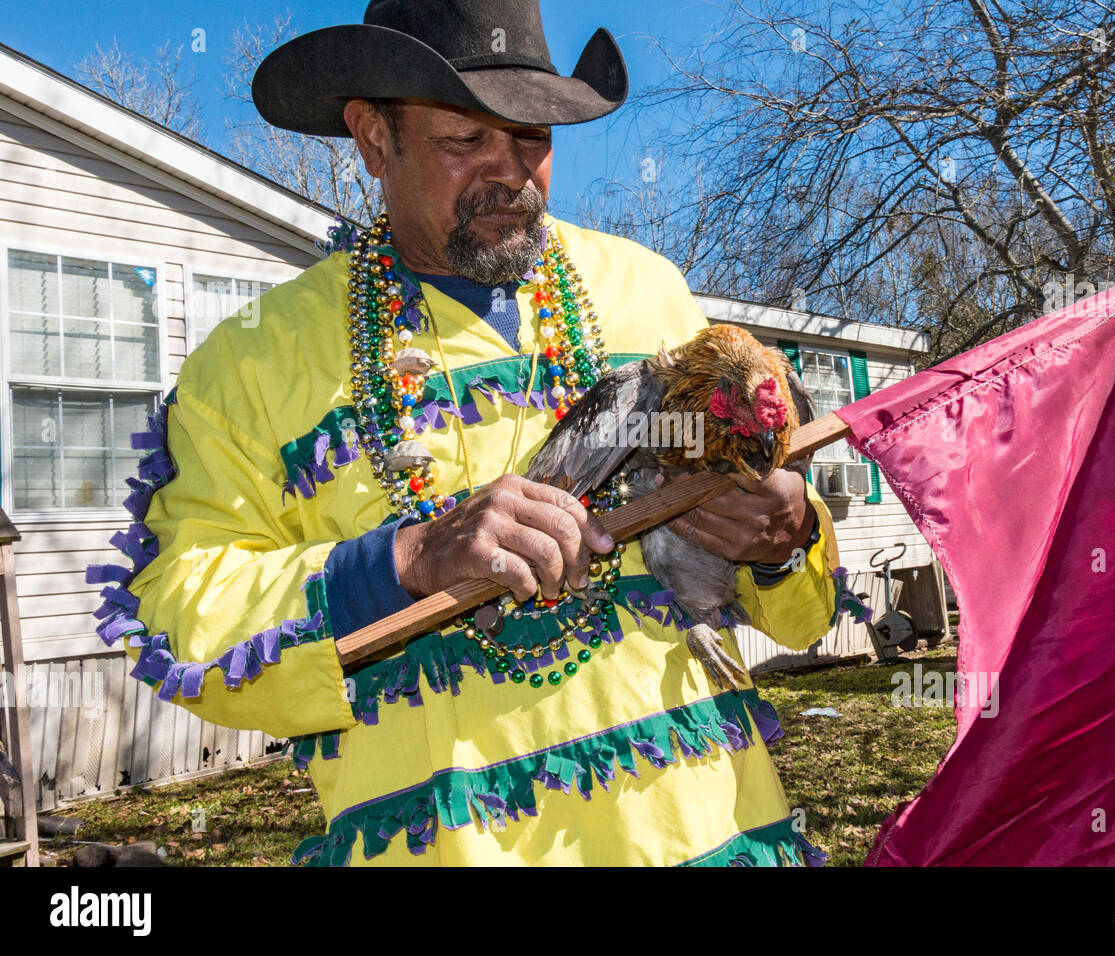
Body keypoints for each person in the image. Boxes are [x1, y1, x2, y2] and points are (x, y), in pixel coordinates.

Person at [90, 0, 853, 866]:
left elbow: (799, 616)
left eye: (532, 140)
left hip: (711, 828)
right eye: (466, 141)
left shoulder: (651, 294)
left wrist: (783, 540)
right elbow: (183, 621)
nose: (511, 174)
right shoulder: (251, 362)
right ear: (375, 138)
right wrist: (406, 562)